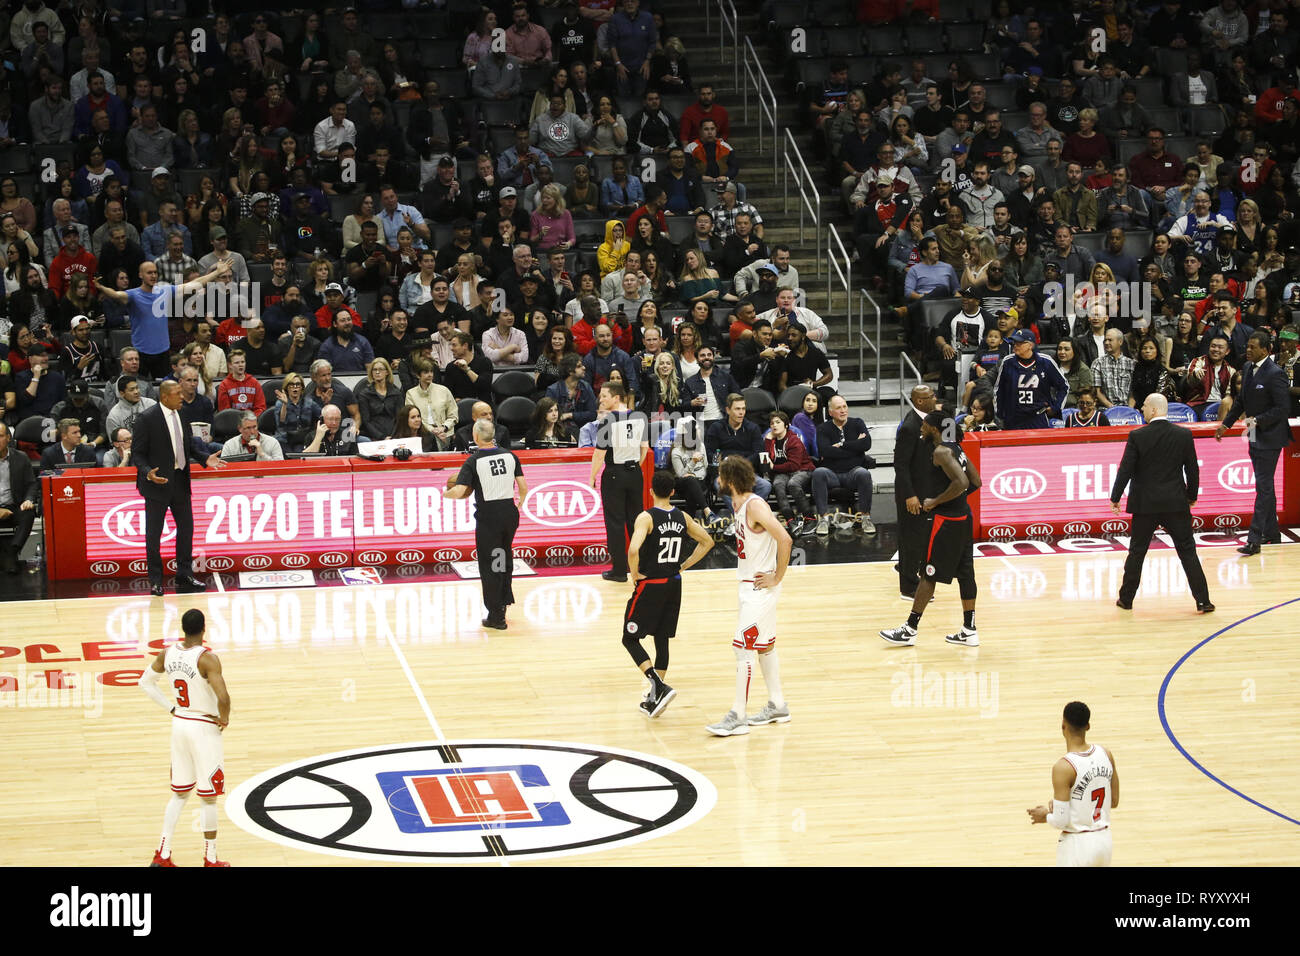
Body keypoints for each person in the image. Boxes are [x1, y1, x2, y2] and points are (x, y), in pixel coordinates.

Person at [706, 455, 793, 737]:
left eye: (720, 475)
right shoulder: (737, 503)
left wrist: (777, 577)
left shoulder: (755, 505)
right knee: (765, 646)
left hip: (760, 588)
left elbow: (785, 538)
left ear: (729, 479)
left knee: (742, 648)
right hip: (749, 586)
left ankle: (738, 716)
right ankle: (778, 705)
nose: (717, 480)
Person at [138, 608, 231, 867]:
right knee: (208, 797)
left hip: (179, 724)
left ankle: (163, 854)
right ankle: (211, 859)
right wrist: (224, 719)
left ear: (183, 628)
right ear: (203, 629)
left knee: (179, 794)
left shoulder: (167, 654)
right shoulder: (208, 659)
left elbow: (145, 682)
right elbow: (223, 698)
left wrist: (171, 708)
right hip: (203, 727)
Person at [880, 410, 982, 648]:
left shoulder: (941, 451)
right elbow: (976, 482)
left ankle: (910, 629)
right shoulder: (956, 447)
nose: (921, 429)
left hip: (946, 521)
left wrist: (936, 502)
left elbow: (964, 482)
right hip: (964, 517)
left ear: (935, 429)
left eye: (924, 426)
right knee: (966, 574)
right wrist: (957, 502)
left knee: (928, 574)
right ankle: (969, 629)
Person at [1109, 393, 1214, 612]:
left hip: (1145, 504)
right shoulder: (1183, 434)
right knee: (1187, 551)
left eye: (1145, 406)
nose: (1141, 409)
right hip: (1175, 503)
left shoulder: (1137, 436)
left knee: (1137, 552)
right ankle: (1203, 601)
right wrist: (1192, 496)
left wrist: (1115, 497)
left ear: (1155, 410)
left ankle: (1126, 600)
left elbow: (1125, 469)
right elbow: (1192, 469)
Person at [623, 470, 715, 717]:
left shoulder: (646, 517)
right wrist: (684, 565)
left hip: (651, 584)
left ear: (651, 491)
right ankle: (654, 699)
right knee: (661, 640)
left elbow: (633, 550)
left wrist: (634, 574)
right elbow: (707, 542)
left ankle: (658, 685)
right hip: (674, 583)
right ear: (673, 492)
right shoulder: (683, 517)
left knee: (629, 638)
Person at [132, 380, 226, 596]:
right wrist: (147, 472)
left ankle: (185, 574)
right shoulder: (147, 419)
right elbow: (137, 453)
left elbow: (189, 444)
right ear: (165, 397)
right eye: (177, 393)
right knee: (153, 535)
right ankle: (155, 580)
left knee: (186, 530)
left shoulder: (181, 414)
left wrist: (204, 458)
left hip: (180, 480)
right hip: (157, 483)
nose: (182, 397)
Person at [444, 419, 529, 630]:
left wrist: (445, 494)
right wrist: (519, 505)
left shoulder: (473, 461)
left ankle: (496, 615)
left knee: (490, 564)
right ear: (494, 435)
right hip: (509, 514)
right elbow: (524, 487)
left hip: (489, 517)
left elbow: (458, 490)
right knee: (503, 558)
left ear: (475, 436)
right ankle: (503, 604)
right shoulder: (510, 455)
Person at [1215, 332, 1291, 555]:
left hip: (1270, 436)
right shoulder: (1248, 368)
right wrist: (1225, 424)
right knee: (1265, 486)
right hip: (1253, 433)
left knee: (1264, 486)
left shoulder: (1275, 373)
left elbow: (1282, 409)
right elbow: (1241, 402)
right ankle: (1273, 533)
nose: (1247, 350)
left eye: (1252, 347)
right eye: (1247, 346)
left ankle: (1254, 539)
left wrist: (1258, 420)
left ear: (1265, 350)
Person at [97, 259, 231, 377]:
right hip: (141, 352)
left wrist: (216, 273)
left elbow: (195, 283)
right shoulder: (133, 294)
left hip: (162, 352)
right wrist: (101, 287)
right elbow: (115, 295)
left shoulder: (165, 291)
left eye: (155, 272)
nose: (153, 275)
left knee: (164, 388)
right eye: (149, 273)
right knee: (140, 389)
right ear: (140, 275)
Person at [1026, 701, 1118, 868]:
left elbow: (1060, 821)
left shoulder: (1064, 767)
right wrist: (1073, 806)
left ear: (1063, 726)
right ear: (1088, 726)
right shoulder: (1106, 754)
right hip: (1104, 841)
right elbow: (1113, 801)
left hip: (1077, 845)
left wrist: (1045, 815)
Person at [590, 382, 648, 582]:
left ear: (616, 398)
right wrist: (634, 467)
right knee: (636, 521)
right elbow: (645, 448)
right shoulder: (640, 416)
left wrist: (592, 477)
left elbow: (599, 454)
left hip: (614, 474)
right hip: (634, 474)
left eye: (604, 395)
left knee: (615, 523)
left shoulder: (609, 421)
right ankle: (638, 566)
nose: (601, 399)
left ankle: (619, 571)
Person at [895, 385, 939, 600]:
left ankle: (917, 579)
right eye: (931, 396)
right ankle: (908, 587)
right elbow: (900, 465)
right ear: (920, 401)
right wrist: (909, 495)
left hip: (927, 489)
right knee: (910, 539)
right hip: (911, 492)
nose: (935, 398)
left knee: (923, 538)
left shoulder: (932, 421)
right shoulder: (910, 426)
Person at [812, 396, 876, 535]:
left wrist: (842, 445)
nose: (843, 411)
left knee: (864, 474)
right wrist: (855, 448)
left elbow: (866, 444)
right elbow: (825, 451)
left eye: (844, 407)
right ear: (830, 412)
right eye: (838, 408)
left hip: (853, 472)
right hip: (832, 473)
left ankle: (866, 517)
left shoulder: (857, 423)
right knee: (818, 473)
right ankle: (823, 519)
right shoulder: (823, 428)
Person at [994, 329, 1069, 428]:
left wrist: (1056, 408)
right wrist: (1000, 414)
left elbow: (1064, 386)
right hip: (1013, 418)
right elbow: (998, 390)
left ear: (1030, 345)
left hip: (1038, 417)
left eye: (1019, 343)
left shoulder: (1046, 362)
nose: (1015, 345)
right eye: (1014, 342)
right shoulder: (1008, 362)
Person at [0, 423, 39, 574]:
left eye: (0, 436)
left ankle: (12, 551)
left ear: (8, 438)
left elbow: (31, 484)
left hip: (14, 505)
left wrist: (29, 499)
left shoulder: (20, 458)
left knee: (28, 513)